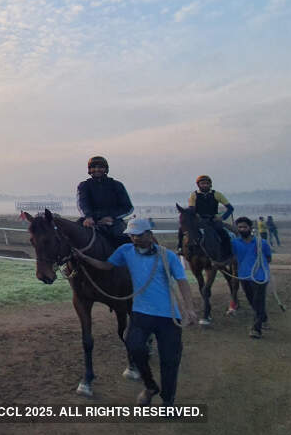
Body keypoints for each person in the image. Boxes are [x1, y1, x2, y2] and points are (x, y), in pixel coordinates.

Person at [73, 217, 198, 406]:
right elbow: (106, 265)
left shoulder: (167, 256)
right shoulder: (125, 251)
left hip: (168, 316)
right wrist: (85, 258)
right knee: (134, 347)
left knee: (169, 360)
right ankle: (150, 385)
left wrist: (189, 309)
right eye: (132, 236)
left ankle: (168, 402)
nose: (135, 239)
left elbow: (182, 281)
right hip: (141, 313)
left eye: (138, 235)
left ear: (149, 234)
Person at [231, 217, 273, 339]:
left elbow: (268, 258)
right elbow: (229, 256)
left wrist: (260, 267)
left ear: (250, 228)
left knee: (258, 301)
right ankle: (263, 317)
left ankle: (256, 329)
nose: (242, 229)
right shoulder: (234, 243)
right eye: (240, 227)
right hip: (244, 276)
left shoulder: (262, 243)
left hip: (260, 277)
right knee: (252, 301)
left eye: (244, 227)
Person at [76, 156, 134, 244]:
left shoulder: (117, 185)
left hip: (113, 221)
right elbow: (82, 203)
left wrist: (111, 217)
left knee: (121, 238)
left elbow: (128, 207)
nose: (97, 169)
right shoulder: (84, 185)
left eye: (100, 167)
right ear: (89, 170)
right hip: (90, 219)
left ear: (106, 169)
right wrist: (88, 217)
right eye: (93, 167)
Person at [185, 175, 234, 258]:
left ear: (210, 184)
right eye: (202, 183)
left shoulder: (217, 194)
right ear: (198, 185)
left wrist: (222, 218)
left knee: (224, 234)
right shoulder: (194, 195)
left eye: (207, 183)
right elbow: (191, 209)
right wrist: (195, 216)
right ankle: (182, 249)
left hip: (213, 220)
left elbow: (230, 208)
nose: (205, 185)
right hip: (200, 221)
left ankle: (227, 254)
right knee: (185, 233)